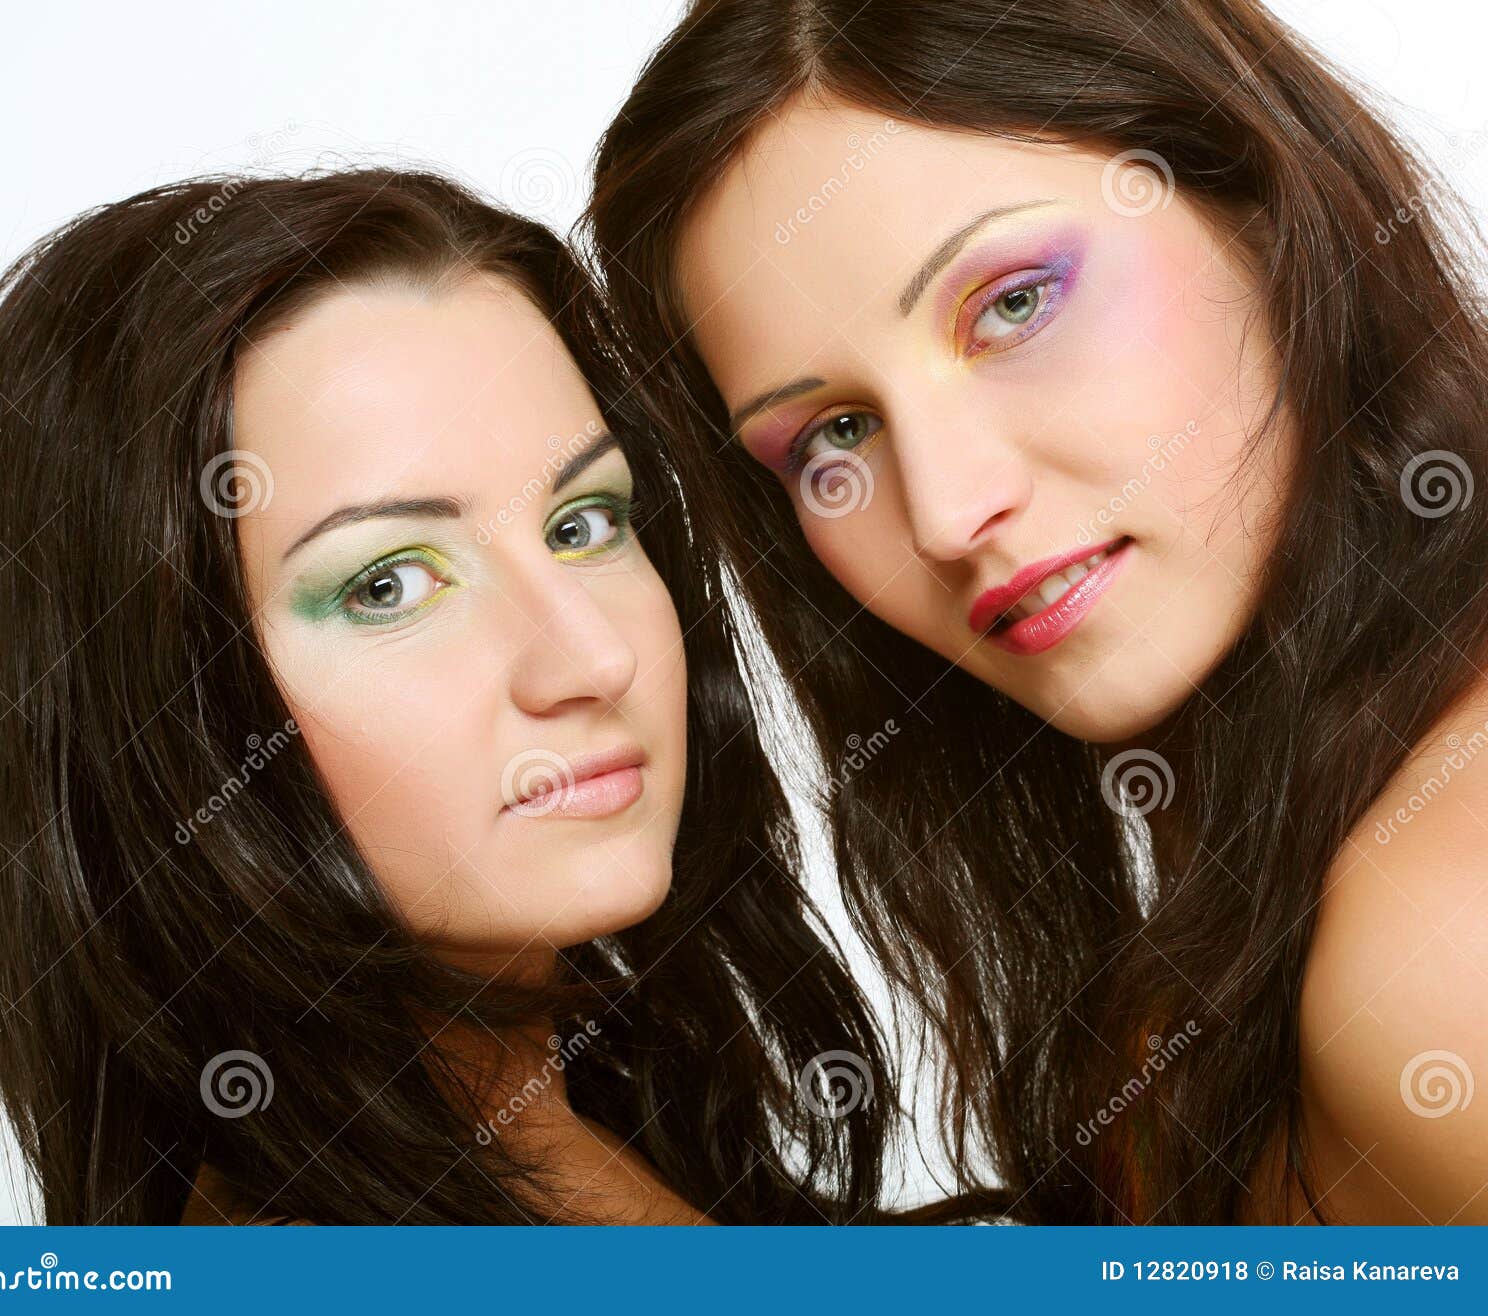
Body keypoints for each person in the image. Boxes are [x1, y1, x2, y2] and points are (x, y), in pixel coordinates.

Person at [0, 167, 941, 1225]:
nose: (589, 660)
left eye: (583, 523)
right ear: (167, 713)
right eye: (387, 582)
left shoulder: (603, 1141)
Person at [586, 0, 1488, 1224]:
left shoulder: (1434, 949)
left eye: (1011, 303)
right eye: (833, 435)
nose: (950, 510)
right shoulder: (1285, 879)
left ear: (1264, 216)